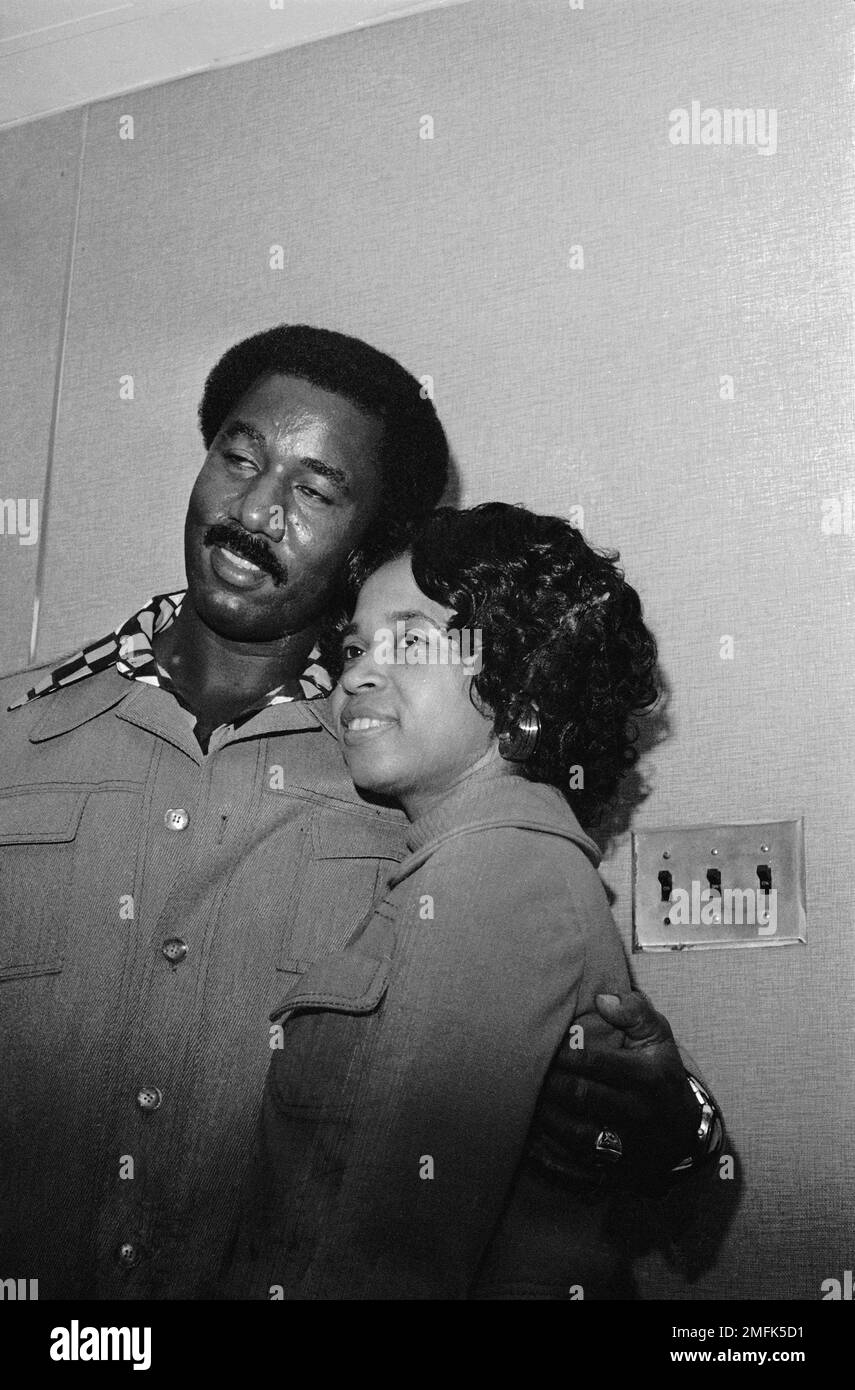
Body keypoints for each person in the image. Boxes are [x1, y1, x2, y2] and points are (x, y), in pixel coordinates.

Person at [0, 326, 717, 1300]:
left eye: (315, 488)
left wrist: (679, 1129)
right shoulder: (12, 729)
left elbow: (549, 1061)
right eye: (239, 457)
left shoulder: (424, 776)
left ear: (375, 543)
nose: (254, 508)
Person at [222, 503, 723, 1300]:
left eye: (412, 641)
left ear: (523, 690)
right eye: (354, 646)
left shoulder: (499, 871)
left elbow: (387, 1252)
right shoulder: (465, 859)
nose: (356, 671)